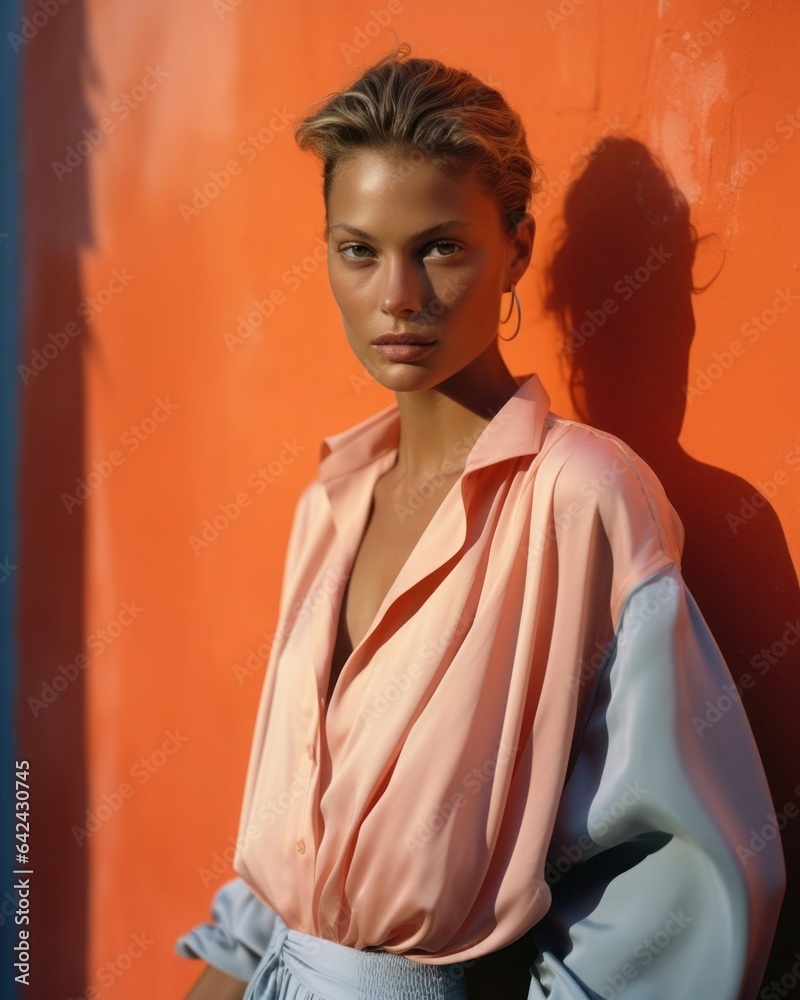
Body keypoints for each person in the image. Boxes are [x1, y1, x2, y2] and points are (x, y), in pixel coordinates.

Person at [175, 44, 786, 1000]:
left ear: (518, 247)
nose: (399, 298)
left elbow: (683, 869)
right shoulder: (333, 499)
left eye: (441, 247)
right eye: (360, 250)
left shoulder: (584, 495)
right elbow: (300, 833)